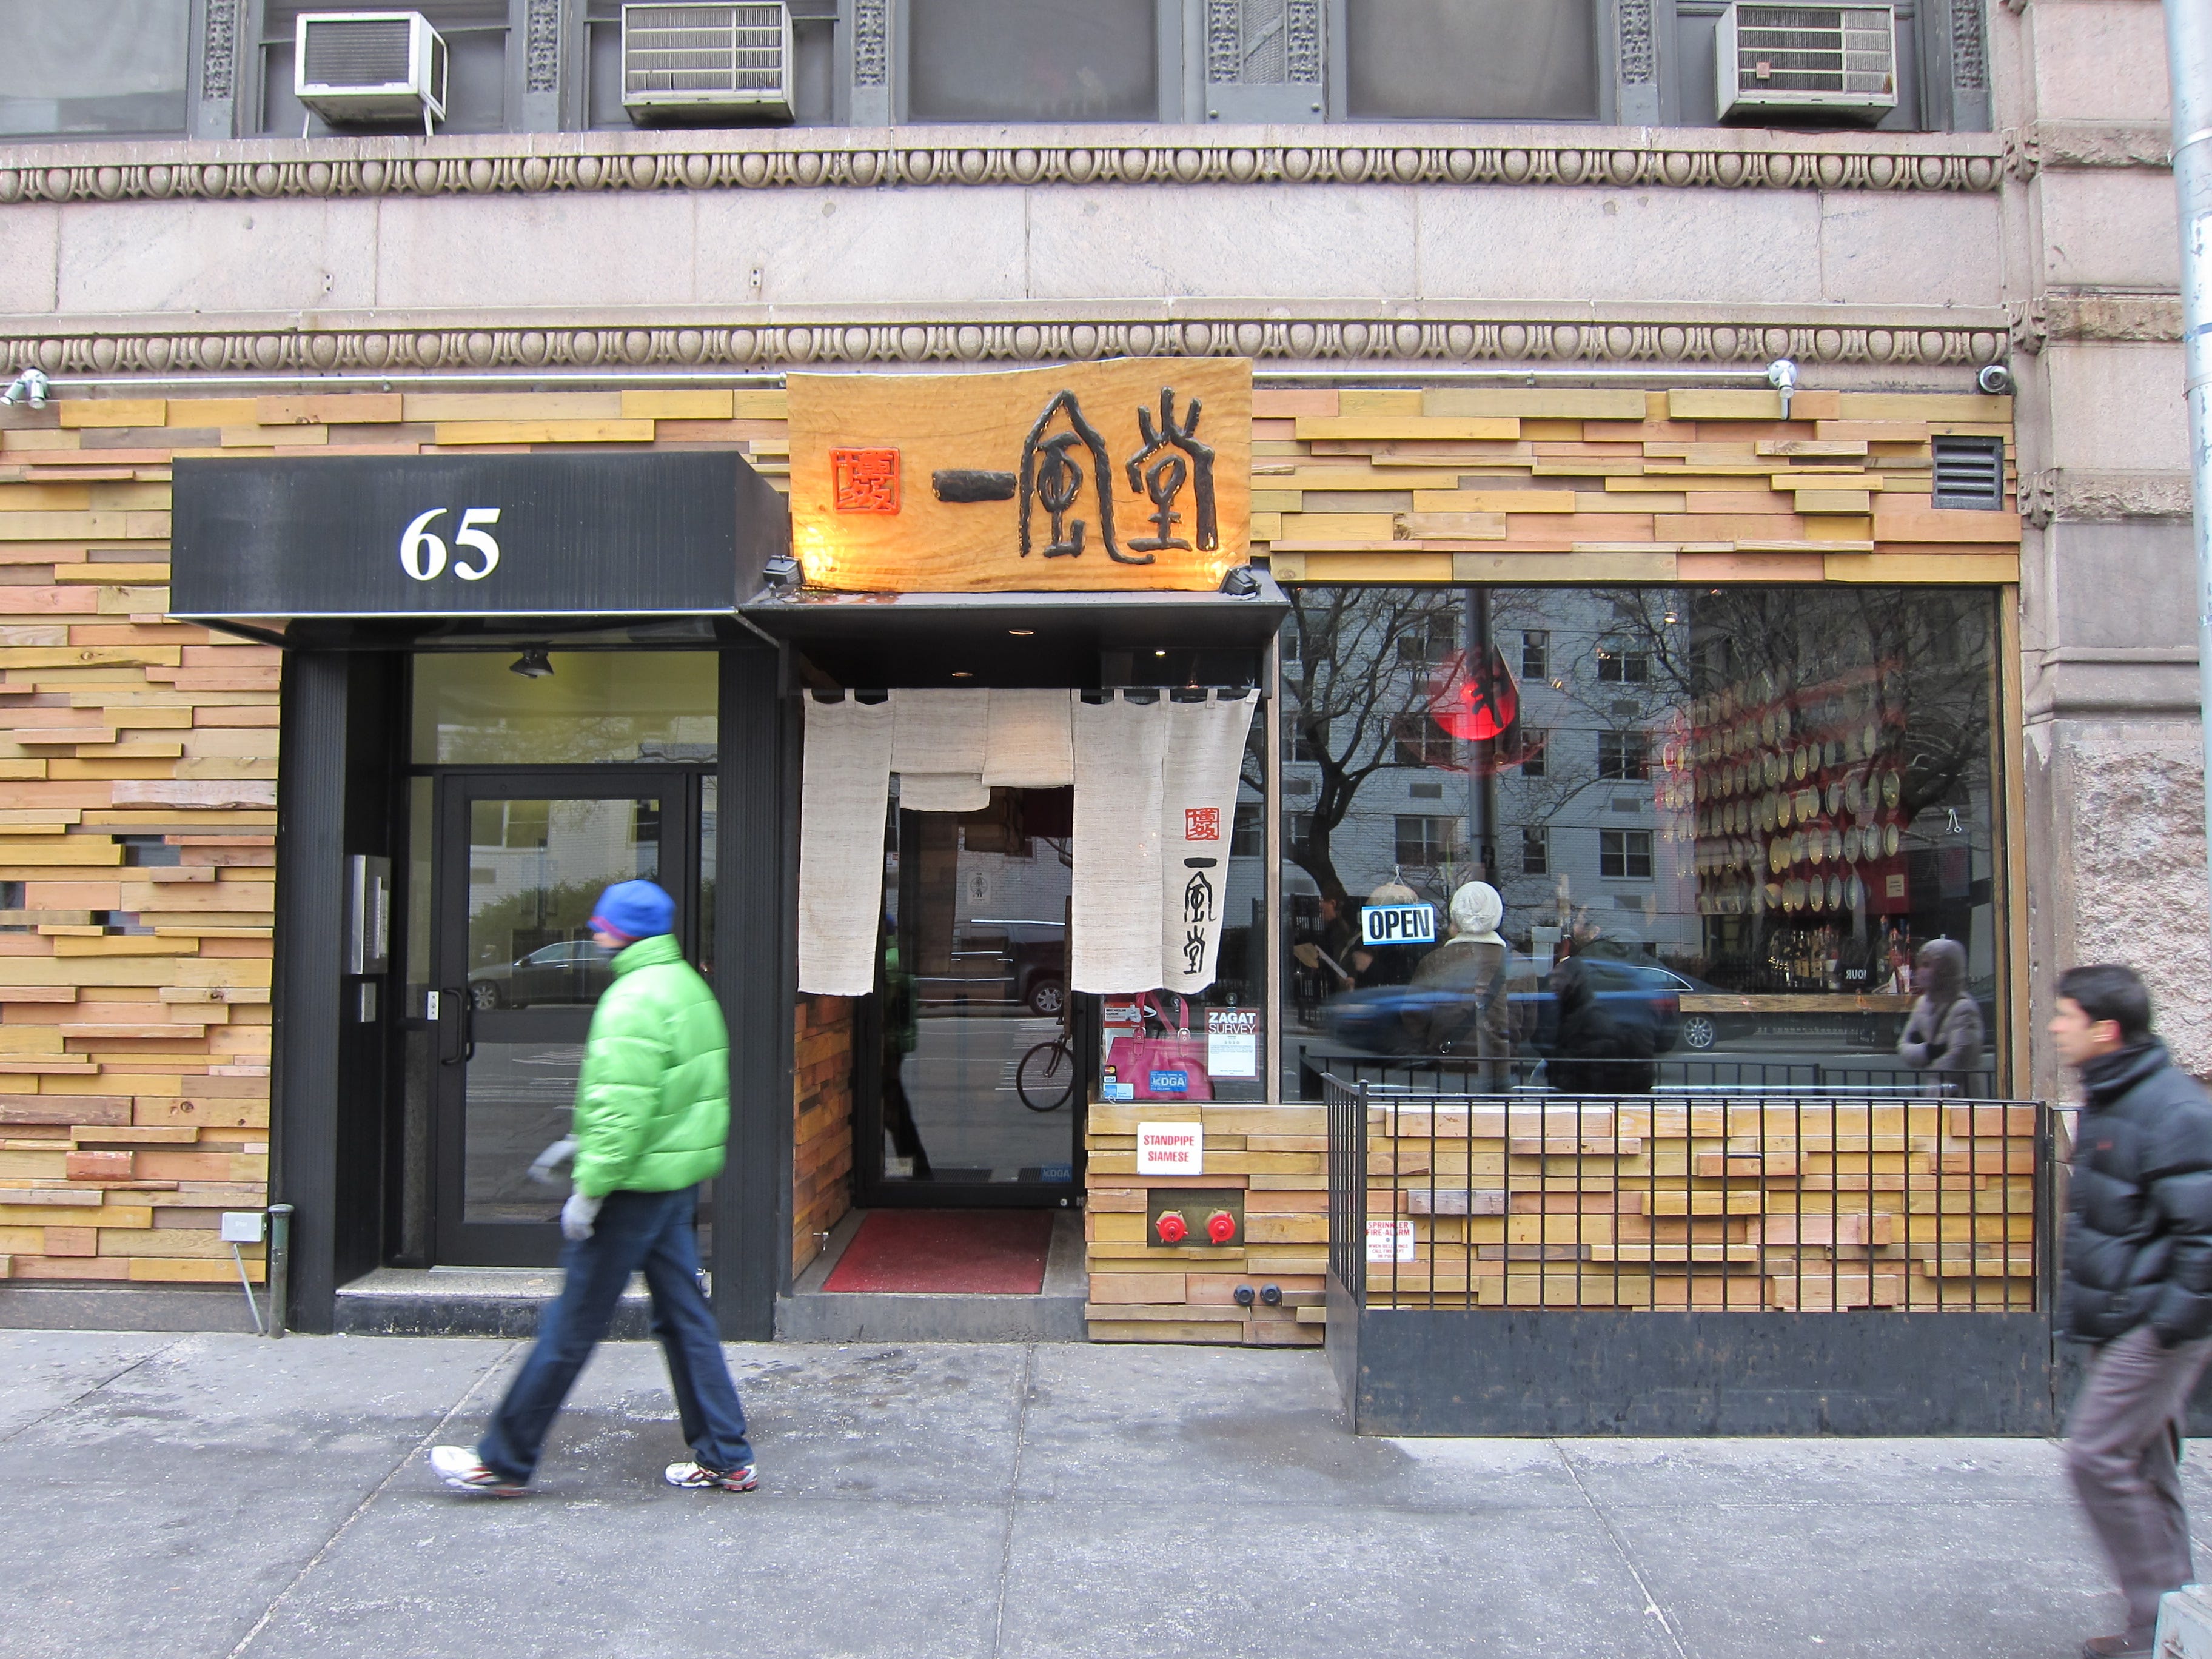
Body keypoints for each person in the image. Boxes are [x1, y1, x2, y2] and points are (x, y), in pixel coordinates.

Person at [429, 879, 756, 1498]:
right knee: (685, 1320)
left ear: (622, 932)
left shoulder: (632, 999)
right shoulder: (687, 987)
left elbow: (621, 1108)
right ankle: (726, 1454)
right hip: (672, 1184)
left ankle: (504, 1460)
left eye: (603, 925)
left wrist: (591, 1186)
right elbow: (681, 1096)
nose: (597, 933)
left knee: (571, 1326)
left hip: (629, 1188)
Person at [2053, 964, 2212, 1658]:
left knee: (2096, 1456)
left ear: (2106, 1030)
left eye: (2066, 1015)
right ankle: (2166, 1630)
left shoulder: (2171, 1109)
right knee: (2146, 1466)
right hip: (2126, 1317)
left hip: (2153, 1325)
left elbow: (2204, 1236)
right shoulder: (2115, 1095)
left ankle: (2157, 1619)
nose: (2055, 1027)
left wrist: (2166, 1326)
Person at [1410, 882, 1512, 1088]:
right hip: (1501, 1075)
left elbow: (1413, 1019)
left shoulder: (1435, 962)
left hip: (1448, 1074)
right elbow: (1529, 1025)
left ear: (1456, 915)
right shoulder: (1518, 964)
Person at [1545, 956, 1656, 1095]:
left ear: (1577, 980)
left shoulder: (1590, 1016)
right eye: (1553, 977)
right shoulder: (1569, 1011)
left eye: (1561, 977)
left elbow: (1597, 1069)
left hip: (1587, 1097)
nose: (1554, 983)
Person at [1897, 937, 1983, 1091]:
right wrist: (1930, 1051)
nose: (1920, 971)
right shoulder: (1922, 1005)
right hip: (1935, 1094)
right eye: (1920, 965)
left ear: (1946, 970)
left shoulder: (1964, 1008)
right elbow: (1904, 1046)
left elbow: (1957, 1060)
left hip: (1962, 1096)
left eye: (1927, 965)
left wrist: (1925, 1057)